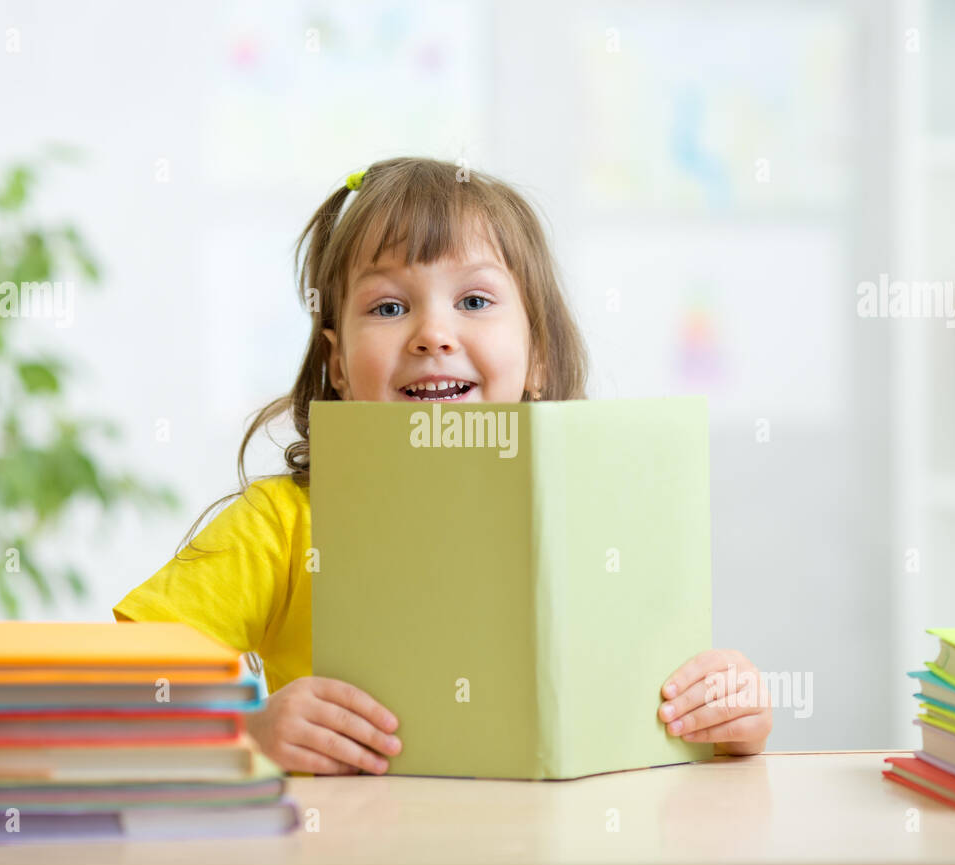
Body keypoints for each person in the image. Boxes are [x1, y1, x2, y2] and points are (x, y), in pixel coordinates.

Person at [113, 157, 772, 774]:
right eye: (390, 307)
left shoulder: (596, 515)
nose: (433, 333)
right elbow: (127, 685)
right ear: (338, 364)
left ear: (537, 356)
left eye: (475, 302)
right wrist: (248, 730)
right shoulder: (280, 523)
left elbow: (676, 732)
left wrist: (730, 718)